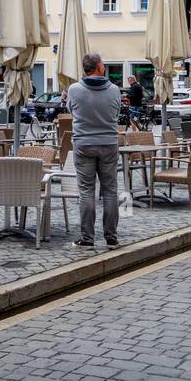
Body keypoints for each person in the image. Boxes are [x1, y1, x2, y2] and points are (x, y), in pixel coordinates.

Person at [66, 52, 122, 249]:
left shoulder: (74, 89)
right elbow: (117, 112)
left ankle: (87, 239)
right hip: (108, 144)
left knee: (86, 192)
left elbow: (71, 111)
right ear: (98, 68)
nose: (104, 67)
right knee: (110, 191)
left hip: (84, 144)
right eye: (103, 64)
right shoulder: (115, 90)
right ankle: (111, 237)